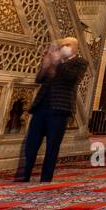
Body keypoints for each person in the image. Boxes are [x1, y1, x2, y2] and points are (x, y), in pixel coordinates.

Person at [18, 37, 88, 183]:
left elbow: (71, 78)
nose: (64, 48)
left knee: (52, 146)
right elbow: (39, 79)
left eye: (67, 45)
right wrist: (45, 65)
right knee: (31, 143)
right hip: (41, 106)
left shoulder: (80, 63)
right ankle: (25, 175)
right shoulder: (53, 61)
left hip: (59, 109)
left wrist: (57, 62)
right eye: (62, 45)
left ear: (75, 47)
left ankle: (45, 178)